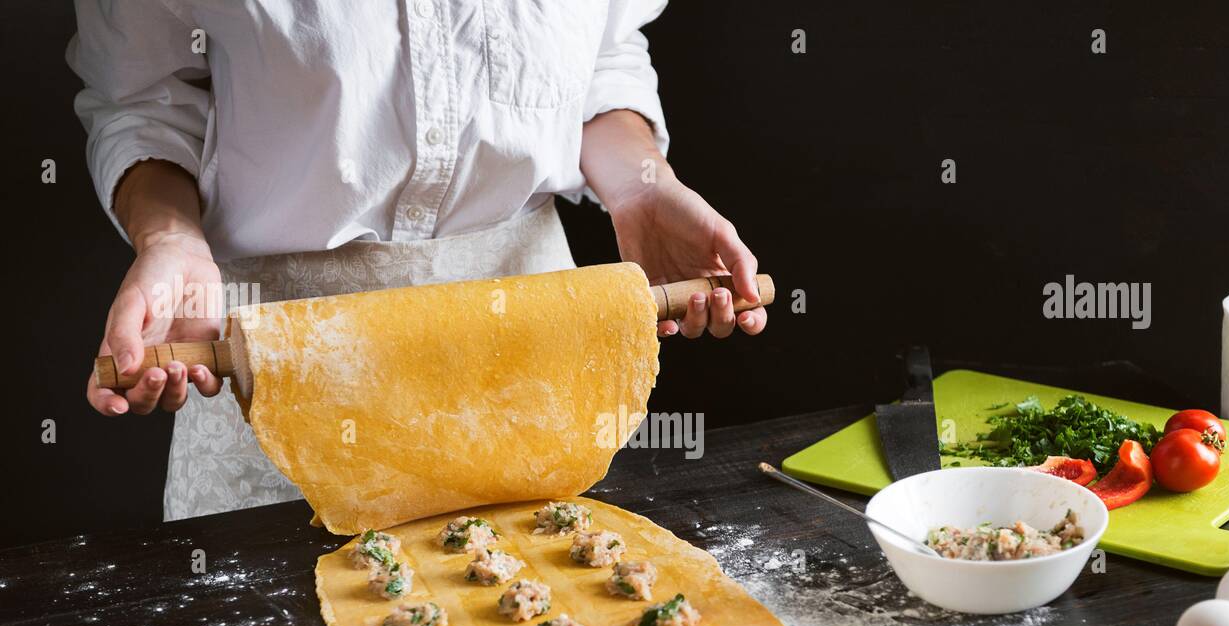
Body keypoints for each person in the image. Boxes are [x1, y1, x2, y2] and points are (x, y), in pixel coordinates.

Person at [68, 1, 767, 520]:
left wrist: (643, 188)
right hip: (280, 369)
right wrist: (171, 239)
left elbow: (602, 64)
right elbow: (143, 103)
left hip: (528, 361)